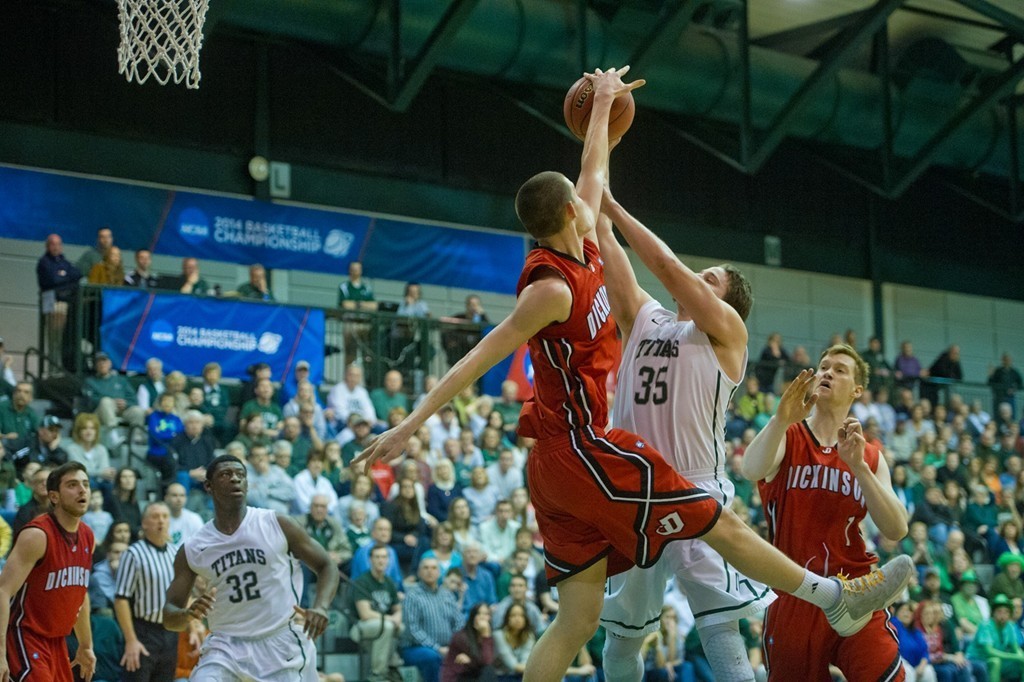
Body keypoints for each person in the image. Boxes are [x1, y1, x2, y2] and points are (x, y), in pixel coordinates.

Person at [357, 66, 911, 682]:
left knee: (586, 620)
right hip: (602, 458)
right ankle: (836, 599)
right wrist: (411, 424)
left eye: (713, 281)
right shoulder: (577, 291)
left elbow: (595, 175)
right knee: (633, 623)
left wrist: (602, 107)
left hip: (627, 467)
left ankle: (836, 600)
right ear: (573, 214)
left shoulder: (719, 329)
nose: (700, 280)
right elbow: (488, 347)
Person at [742, 346, 912, 680]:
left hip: (857, 590)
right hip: (793, 591)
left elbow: (897, 529)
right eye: (823, 367)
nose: (828, 373)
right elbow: (751, 468)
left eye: (839, 369)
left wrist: (859, 468)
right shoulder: (788, 434)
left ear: (857, 390)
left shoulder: (869, 455)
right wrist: (779, 419)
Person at [163, 454, 339, 680]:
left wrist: (322, 607)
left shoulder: (277, 523)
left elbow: (327, 565)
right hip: (225, 645)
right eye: (226, 474)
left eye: (240, 475)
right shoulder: (194, 547)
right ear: (208, 486)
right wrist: (188, 614)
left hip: (279, 640)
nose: (235, 479)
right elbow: (169, 615)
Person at [0, 461, 96, 681]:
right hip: (24, 636)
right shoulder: (37, 535)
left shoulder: (88, 536)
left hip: (56, 641)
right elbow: (3, 592)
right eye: (72, 485)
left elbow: (80, 594)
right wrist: (0, 654)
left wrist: (85, 645)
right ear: (54, 497)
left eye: (86, 484)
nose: (82, 490)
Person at [113, 502, 178, 682]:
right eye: (155, 516)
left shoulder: (175, 553)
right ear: (144, 523)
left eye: (165, 517)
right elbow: (121, 599)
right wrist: (131, 640)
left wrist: (193, 624)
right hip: (143, 632)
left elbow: (183, 596)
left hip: (170, 633)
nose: (161, 521)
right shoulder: (133, 553)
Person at [400, 557, 463, 682]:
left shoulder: (447, 595)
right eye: (426, 568)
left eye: (434, 568)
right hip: (415, 648)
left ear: (439, 573)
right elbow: (413, 630)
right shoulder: (412, 596)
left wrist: (456, 646)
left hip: (447, 647)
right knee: (433, 657)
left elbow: (459, 623)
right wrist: (438, 648)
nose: (430, 571)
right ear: (419, 572)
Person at [348, 544, 404, 682]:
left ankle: (390, 665)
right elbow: (365, 614)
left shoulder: (389, 582)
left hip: (382, 624)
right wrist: (390, 619)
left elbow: (398, 608)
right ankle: (378, 674)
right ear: (370, 560)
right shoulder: (363, 581)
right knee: (387, 626)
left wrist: (396, 618)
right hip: (359, 626)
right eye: (377, 557)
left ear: (388, 560)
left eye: (384, 557)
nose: (381, 560)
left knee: (400, 627)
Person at [36, 233, 81, 372]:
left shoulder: (63, 261)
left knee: (65, 340)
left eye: (58, 244)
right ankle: (52, 371)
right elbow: (52, 280)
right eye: (53, 244)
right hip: (54, 304)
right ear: (47, 246)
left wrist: (62, 277)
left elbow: (77, 274)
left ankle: (63, 369)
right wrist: (65, 278)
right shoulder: (44, 262)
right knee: (54, 341)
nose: (56, 247)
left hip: (68, 304)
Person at [441, 602, 495, 682]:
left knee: (488, 671)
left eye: (486, 614)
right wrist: (486, 635)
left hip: (474, 675)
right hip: (456, 678)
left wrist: (471, 661)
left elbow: (487, 661)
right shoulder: (461, 637)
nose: (482, 617)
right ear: (472, 617)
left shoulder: (488, 636)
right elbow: (485, 661)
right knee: (487, 670)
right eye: (478, 614)